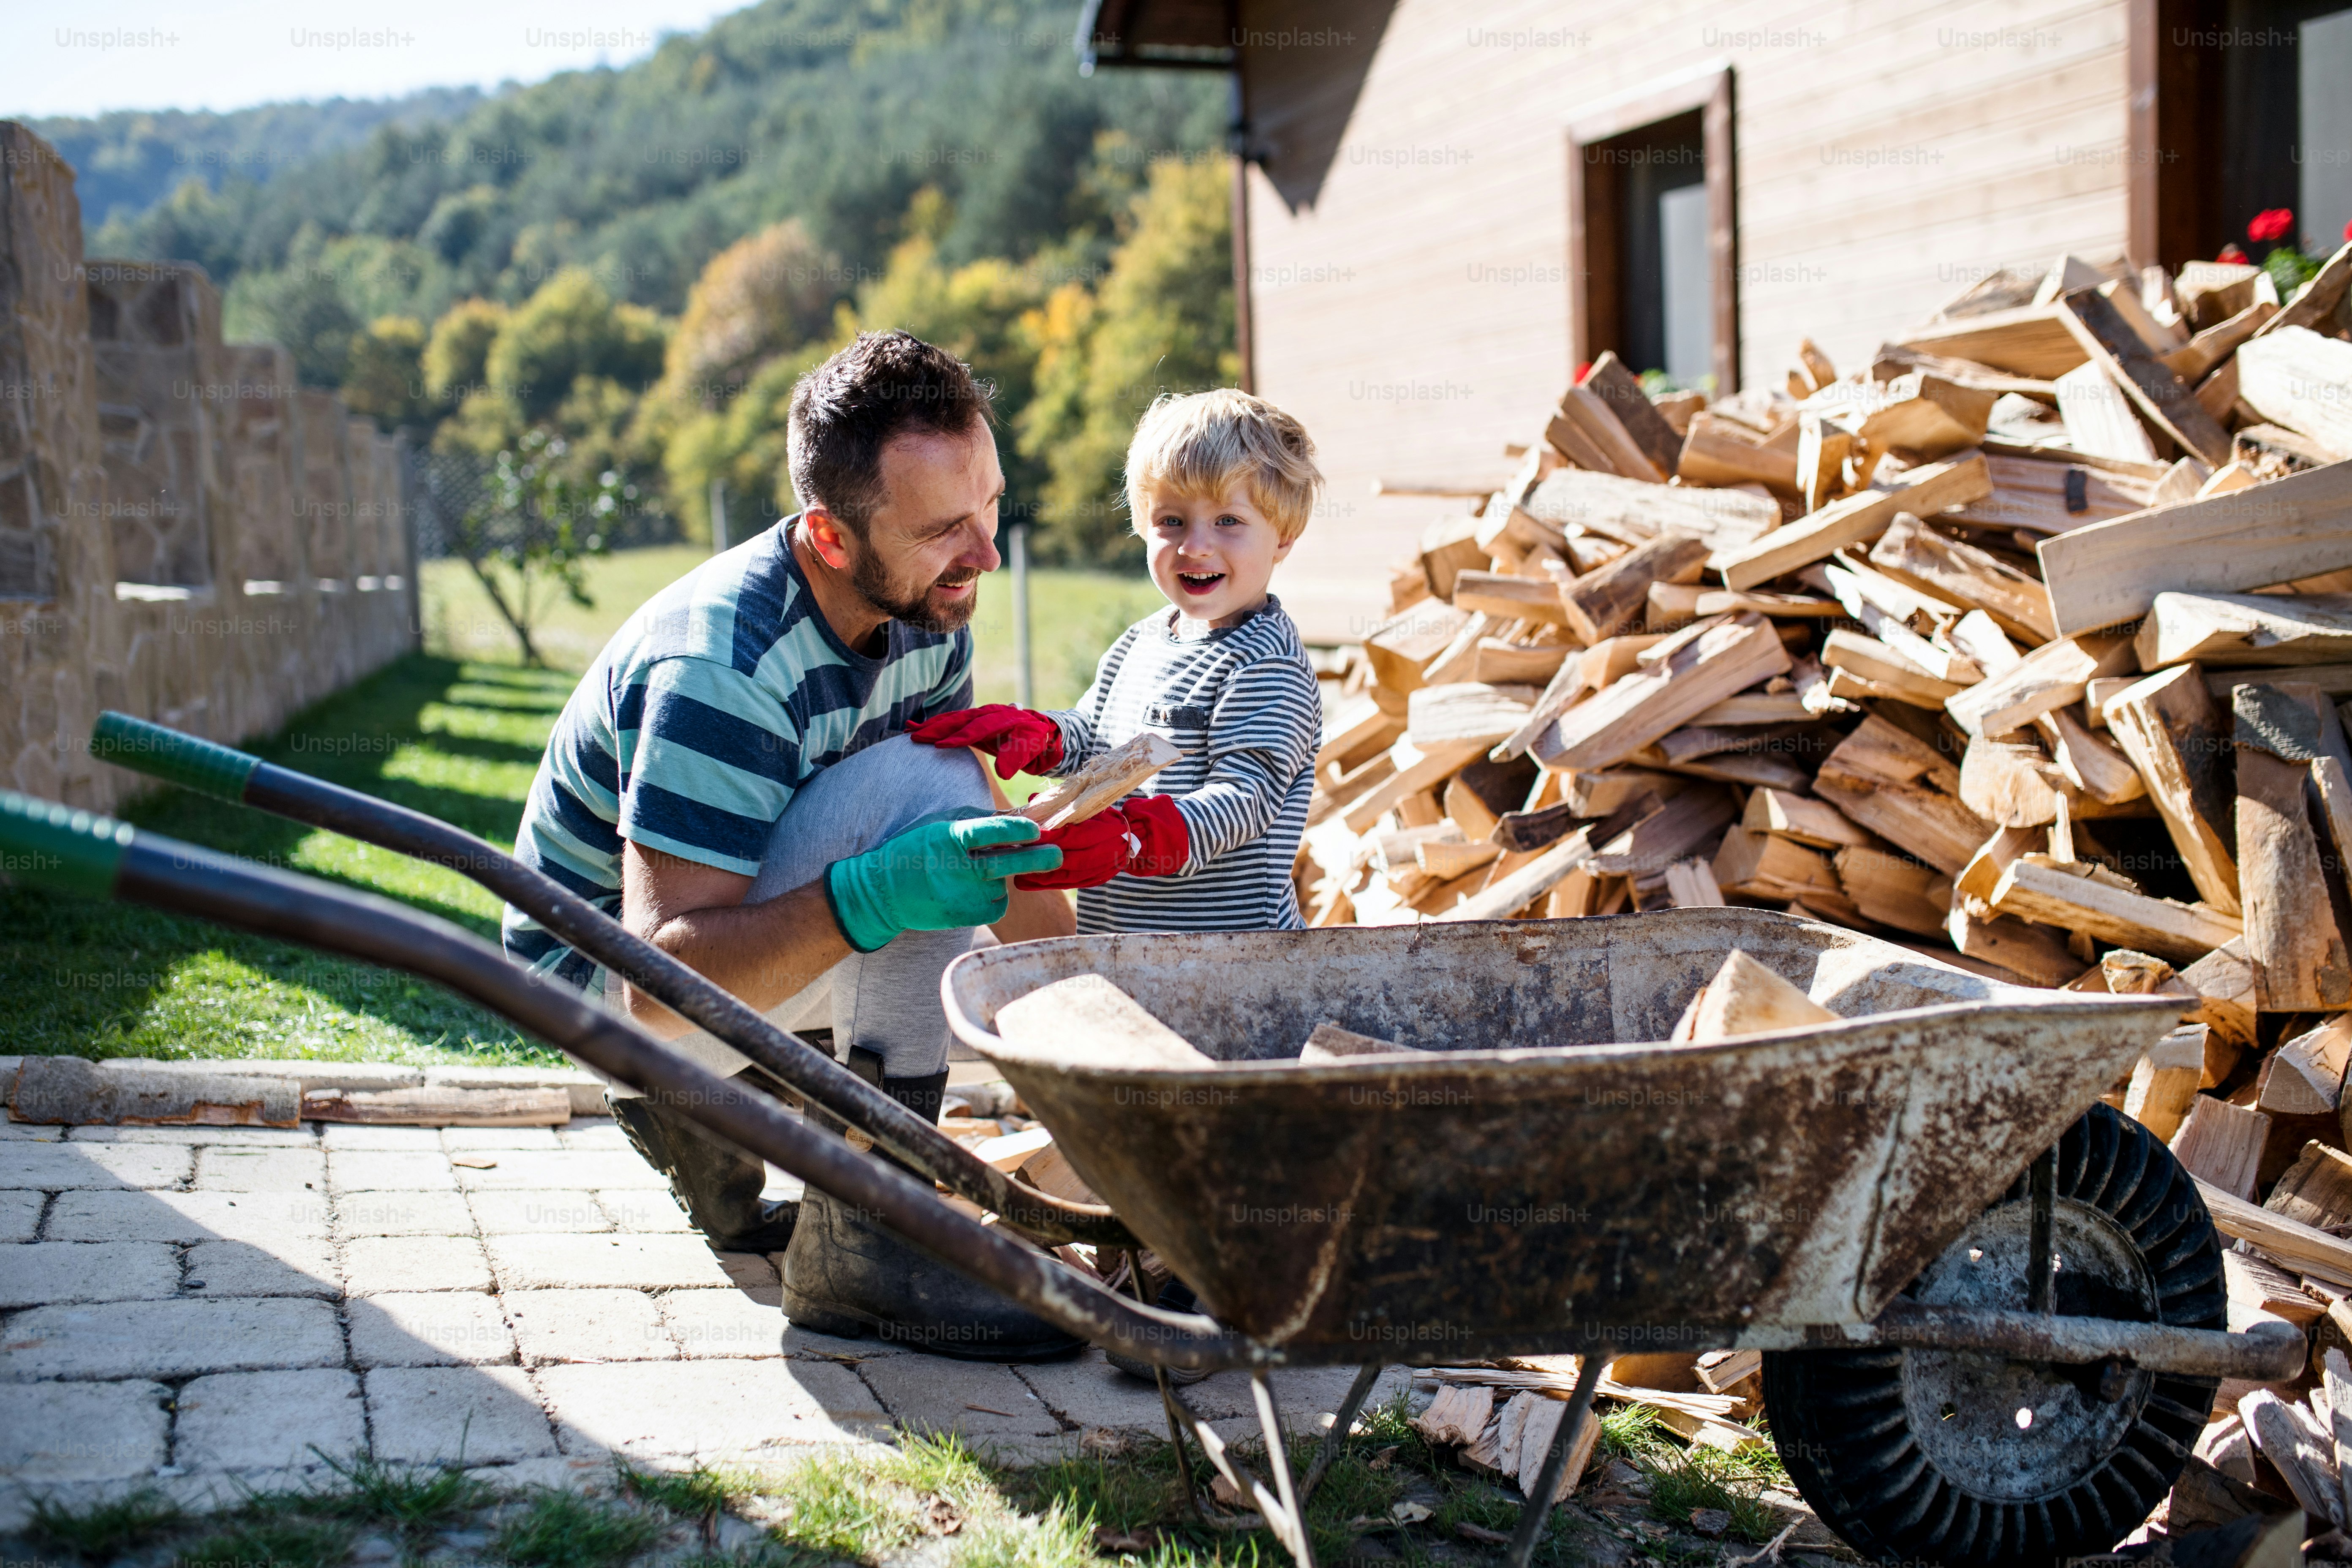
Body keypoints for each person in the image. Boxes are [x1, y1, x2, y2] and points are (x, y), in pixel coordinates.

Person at [501, 330, 1084, 1360]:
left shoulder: (924, 605)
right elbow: (656, 982)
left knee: (940, 807)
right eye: (948, 526)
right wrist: (882, 891)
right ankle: (863, 1244)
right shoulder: (723, 667)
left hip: (732, 945)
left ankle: (732, 1128)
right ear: (828, 537)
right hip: (613, 994)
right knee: (930, 802)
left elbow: (1006, 909)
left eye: (992, 503)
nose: (987, 552)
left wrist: (1064, 853)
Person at [909, 388, 1326, 935]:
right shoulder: (1141, 642)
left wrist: (1134, 837)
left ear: (1284, 537)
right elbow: (1096, 740)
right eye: (1172, 521)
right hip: (1127, 945)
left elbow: (1244, 799)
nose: (1195, 546)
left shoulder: (1269, 666)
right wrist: (1046, 736)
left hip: (1234, 957)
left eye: (1228, 521)